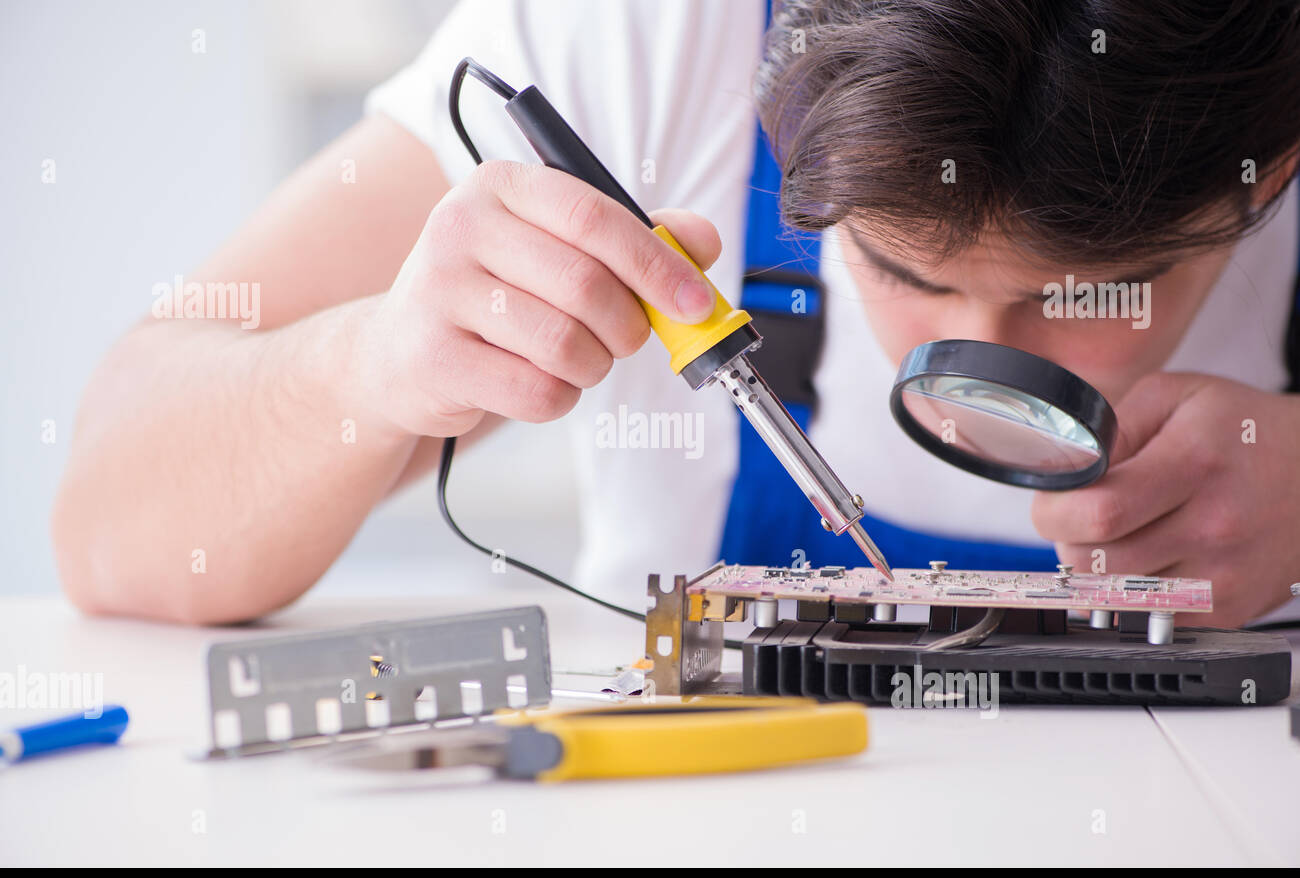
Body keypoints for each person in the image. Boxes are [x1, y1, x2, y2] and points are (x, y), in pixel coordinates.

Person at [52, 0, 1300, 627]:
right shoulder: (645, 39)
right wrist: (368, 367)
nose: (965, 371)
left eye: (1081, 295)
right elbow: (108, 519)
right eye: (903, 274)